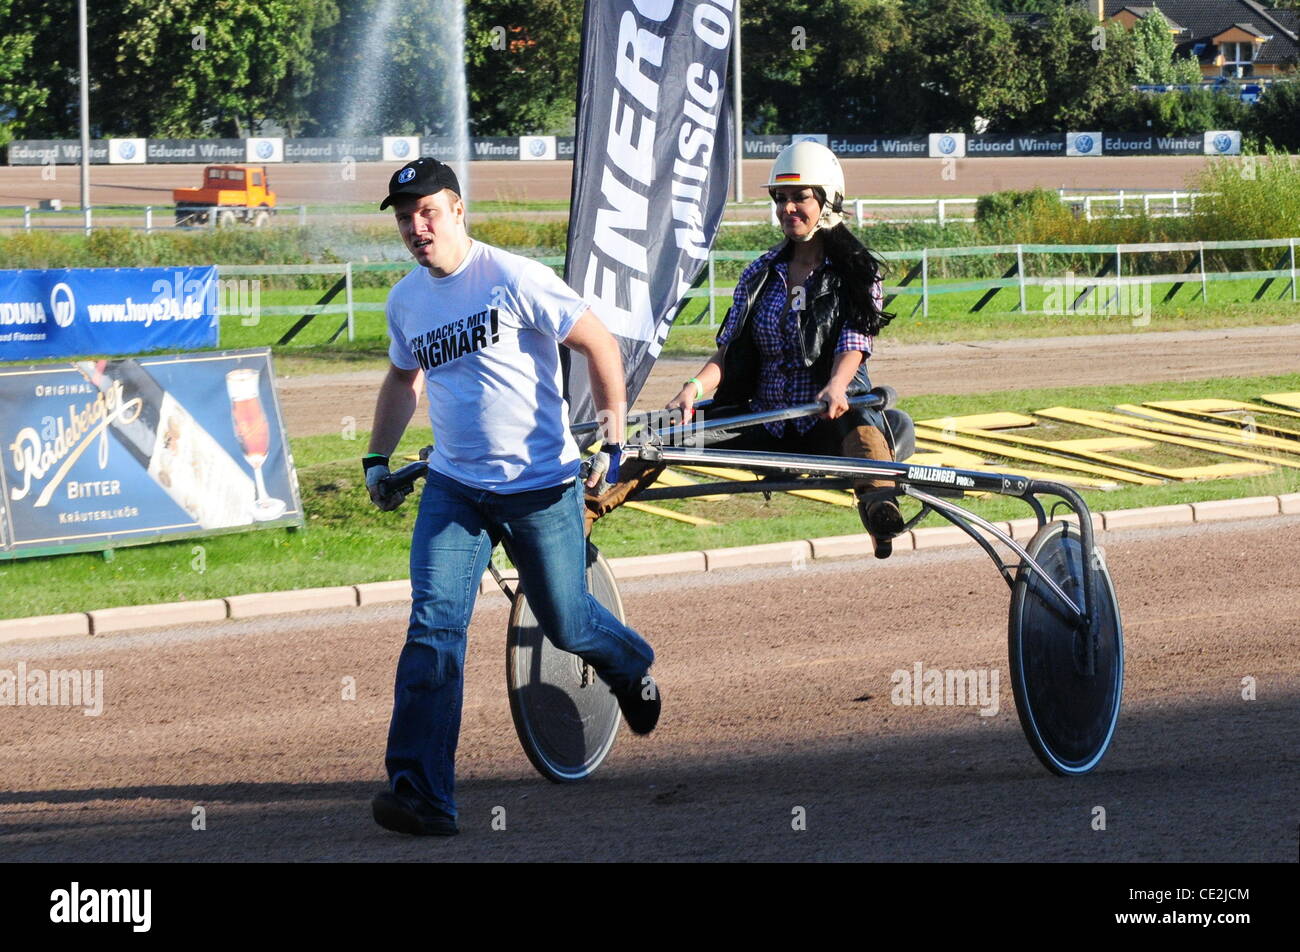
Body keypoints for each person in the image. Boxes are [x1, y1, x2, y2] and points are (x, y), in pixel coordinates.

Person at [362, 157, 659, 837]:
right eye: (406, 217)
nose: (416, 227)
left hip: (541, 487)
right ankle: (422, 794)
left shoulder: (513, 277)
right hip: (455, 490)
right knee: (434, 629)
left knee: (568, 624)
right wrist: (376, 458)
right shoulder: (406, 300)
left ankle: (632, 664)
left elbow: (598, 342)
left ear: (458, 209)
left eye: (428, 211)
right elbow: (402, 380)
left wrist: (612, 442)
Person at [667, 140, 905, 558]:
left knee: (862, 422)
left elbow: (855, 341)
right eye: (780, 198)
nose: (787, 208)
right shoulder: (760, 272)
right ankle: (591, 507)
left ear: (828, 201)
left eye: (799, 197)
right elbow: (730, 349)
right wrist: (693, 387)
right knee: (659, 435)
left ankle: (880, 507)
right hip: (766, 423)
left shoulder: (857, 272)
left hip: (827, 419)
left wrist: (836, 386)